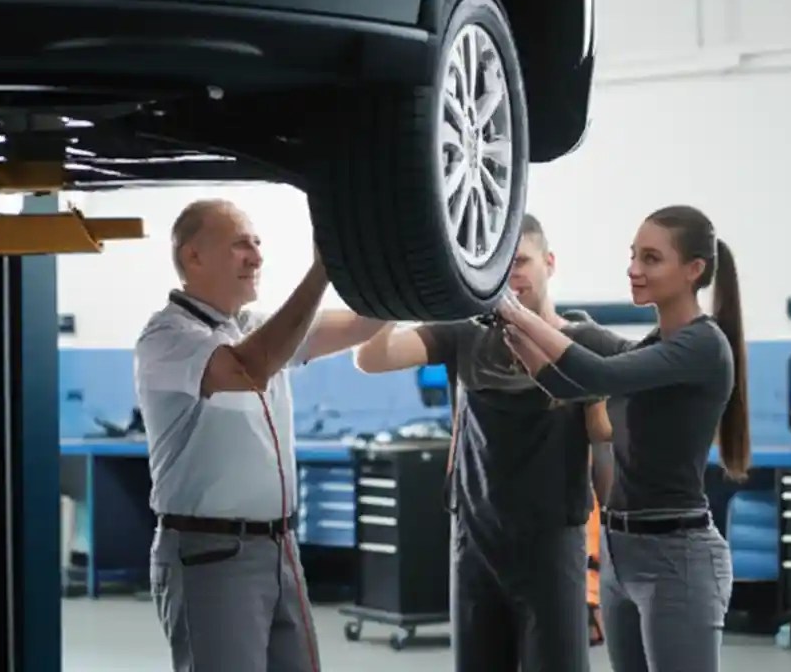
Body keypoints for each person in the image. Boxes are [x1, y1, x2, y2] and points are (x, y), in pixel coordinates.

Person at [354, 214, 629, 672]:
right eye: (500, 267)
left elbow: (652, 386)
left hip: (551, 545)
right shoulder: (463, 334)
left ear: (550, 263)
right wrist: (395, 288)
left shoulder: (583, 341)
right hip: (475, 542)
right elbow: (371, 357)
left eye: (520, 261)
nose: (511, 275)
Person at [134, 199, 386, 672]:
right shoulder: (167, 337)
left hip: (280, 549)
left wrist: (398, 260)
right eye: (239, 245)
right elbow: (249, 366)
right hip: (211, 556)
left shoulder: (254, 327)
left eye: (257, 243)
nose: (256, 256)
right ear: (194, 257)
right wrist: (320, 274)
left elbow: (364, 323)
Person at [496, 204, 750, 672]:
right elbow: (571, 383)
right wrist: (515, 334)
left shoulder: (703, 346)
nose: (634, 269)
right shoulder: (655, 345)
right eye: (633, 255)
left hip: (676, 559)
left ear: (694, 270)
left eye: (651, 259)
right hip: (620, 554)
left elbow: (598, 372)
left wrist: (515, 310)